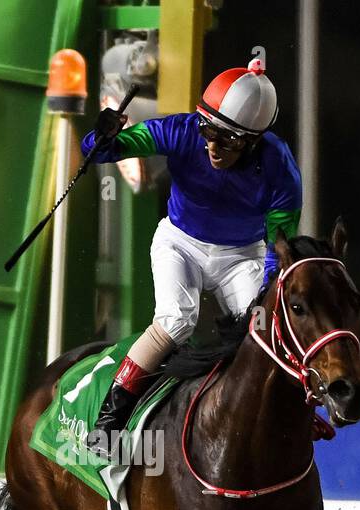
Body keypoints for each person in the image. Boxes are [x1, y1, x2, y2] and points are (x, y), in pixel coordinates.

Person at [81, 58, 302, 455]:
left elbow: (278, 246)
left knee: (266, 328)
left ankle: (295, 417)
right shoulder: (182, 130)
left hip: (242, 256)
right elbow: (105, 152)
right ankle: (108, 423)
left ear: (253, 140)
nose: (213, 147)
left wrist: (266, 291)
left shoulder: (280, 166)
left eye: (228, 140)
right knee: (175, 321)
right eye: (208, 132)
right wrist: (103, 137)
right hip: (180, 242)